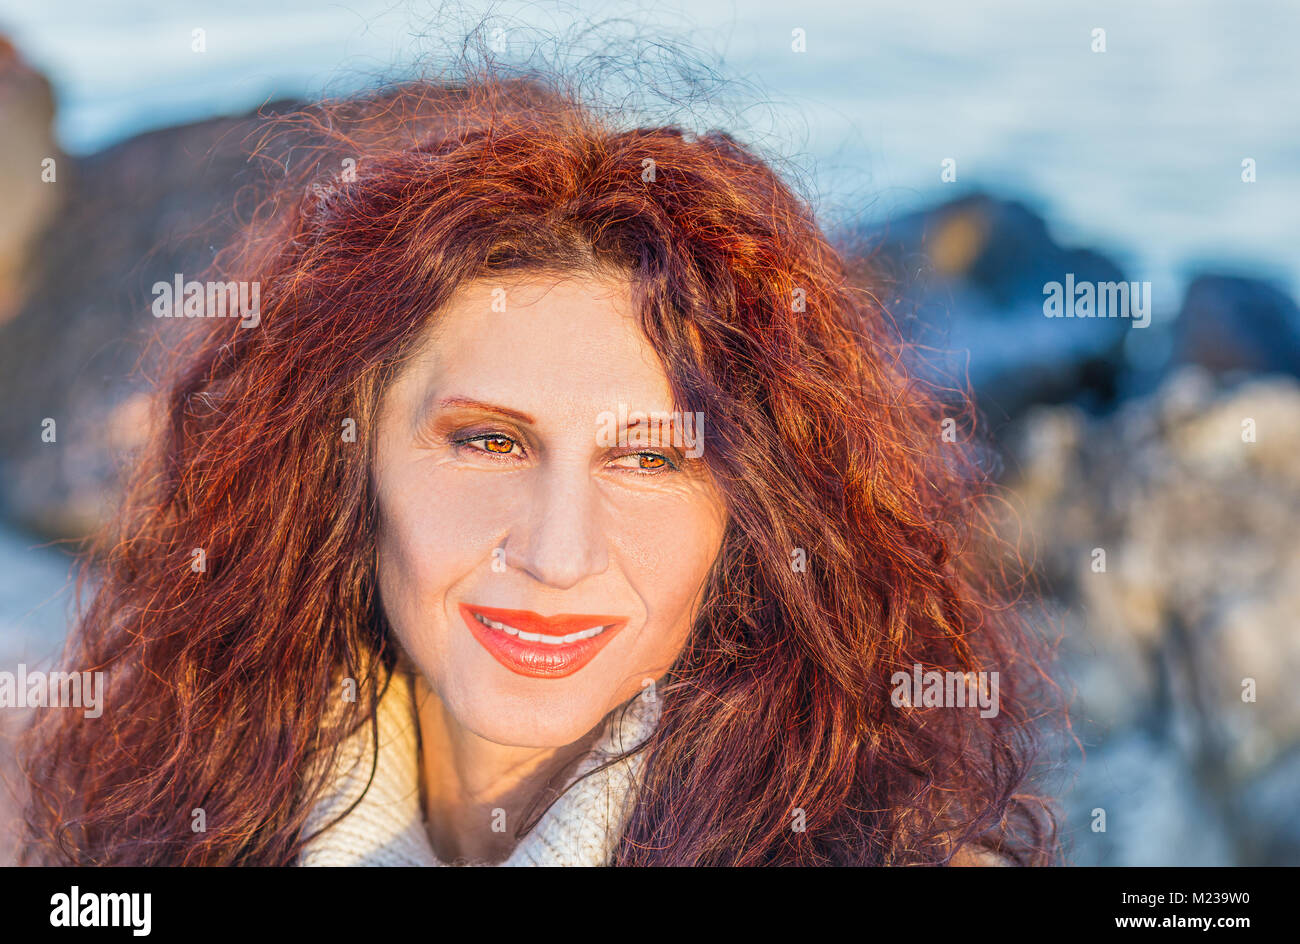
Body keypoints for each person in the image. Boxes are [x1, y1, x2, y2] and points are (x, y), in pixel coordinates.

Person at [20, 63, 1060, 866]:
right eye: (488, 441)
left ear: (750, 519)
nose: (558, 553)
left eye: (650, 458)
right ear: (340, 467)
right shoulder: (136, 821)